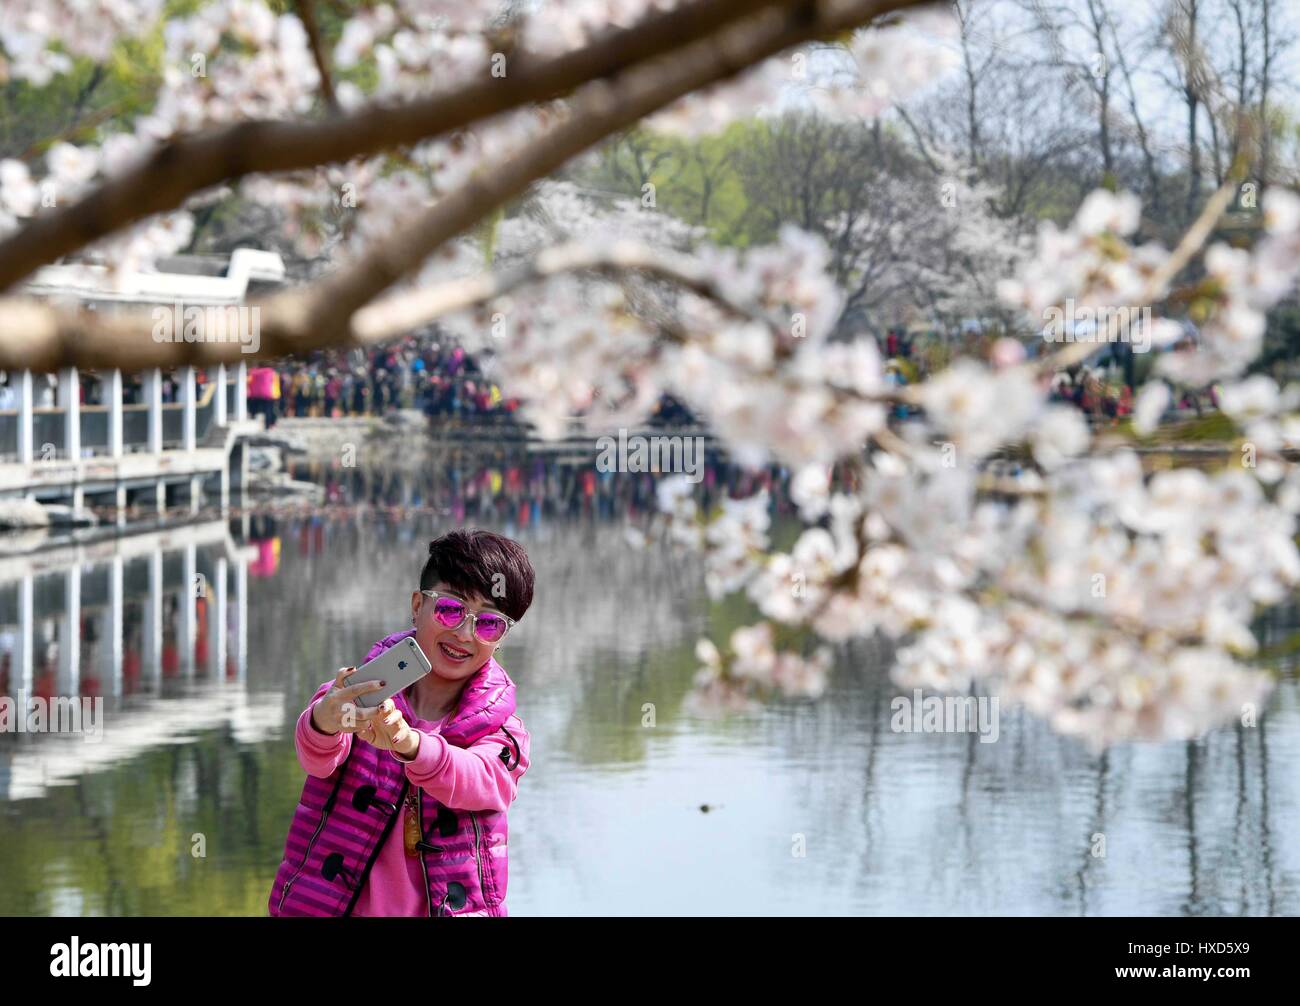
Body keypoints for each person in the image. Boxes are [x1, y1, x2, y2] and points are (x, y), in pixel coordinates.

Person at [268, 529, 533, 917]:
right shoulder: (359, 695)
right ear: (417, 606)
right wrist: (324, 720)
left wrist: (411, 745)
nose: (463, 634)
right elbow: (316, 758)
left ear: (501, 638)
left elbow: (481, 782)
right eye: (451, 610)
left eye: (488, 624)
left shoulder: (503, 732)